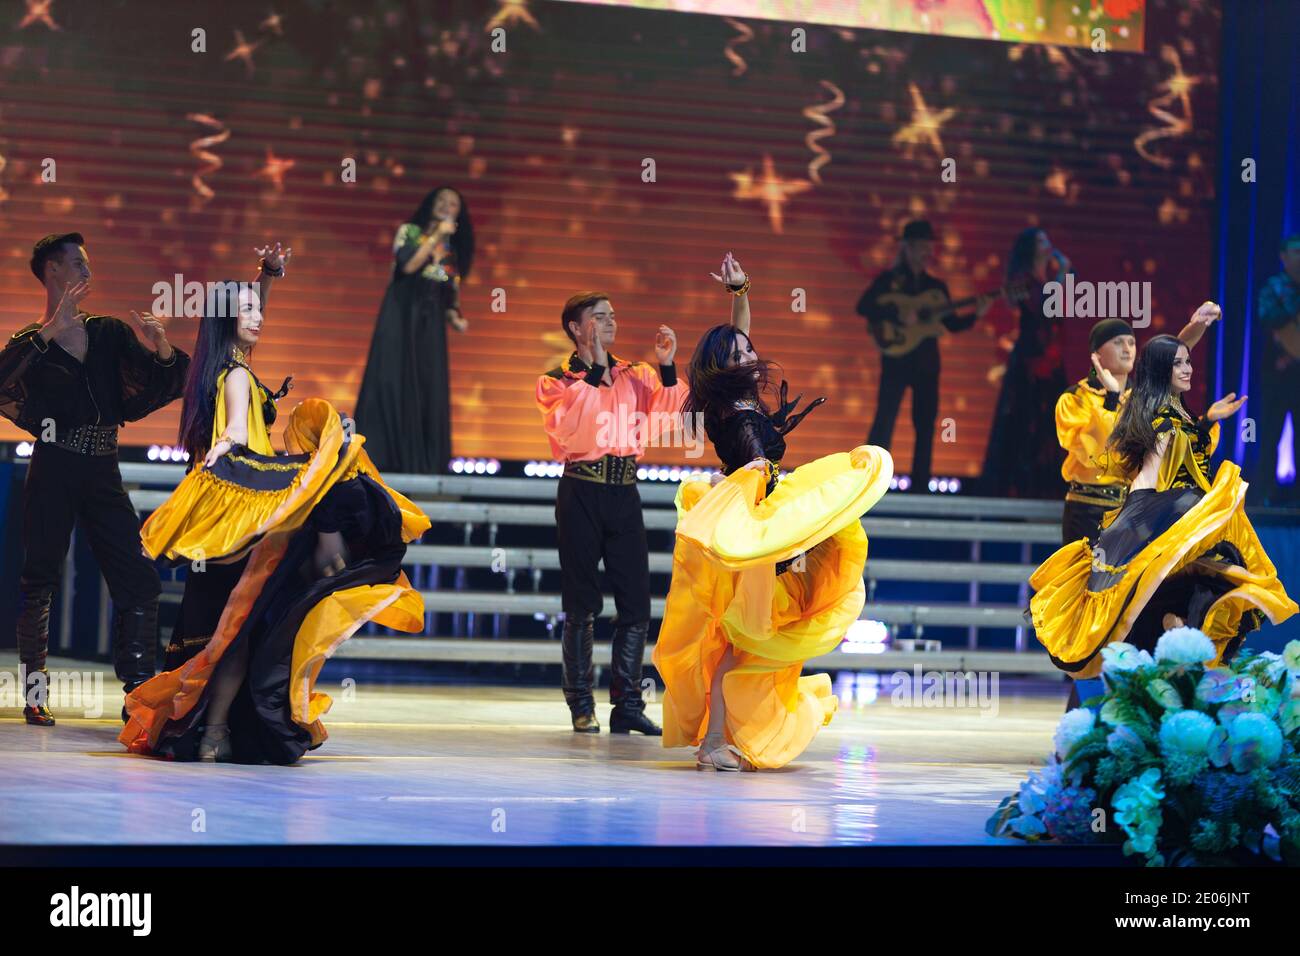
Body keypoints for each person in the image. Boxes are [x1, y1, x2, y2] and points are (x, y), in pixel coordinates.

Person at [119, 253, 431, 763]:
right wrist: (227, 447)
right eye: (248, 310)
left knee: (231, 631)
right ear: (227, 319)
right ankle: (215, 731)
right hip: (247, 514)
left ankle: (211, 730)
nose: (258, 316)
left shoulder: (220, 369)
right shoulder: (237, 377)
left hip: (231, 516)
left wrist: (265, 279)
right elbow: (236, 429)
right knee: (240, 630)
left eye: (258, 308)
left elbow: (240, 327)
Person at [654, 253, 893, 770]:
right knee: (743, 641)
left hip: (761, 529)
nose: (750, 350)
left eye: (749, 347)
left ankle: (719, 738)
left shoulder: (737, 401)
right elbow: (752, 470)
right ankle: (714, 741)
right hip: (756, 534)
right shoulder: (733, 412)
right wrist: (772, 506)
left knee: (747, 641)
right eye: (740, 351)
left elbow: (737, 334)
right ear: (723, 364)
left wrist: (739, 292)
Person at [1029, 335, 1297, 693]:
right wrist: (1131, 522)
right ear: (1160, 370)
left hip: (1194, 514)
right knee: (1190, 587)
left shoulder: (1178, 412)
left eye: (1188, 362)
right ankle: (1173, 647)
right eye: (1178, 364)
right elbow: (1148, 475)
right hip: (1177, 514)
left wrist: (1206, 421)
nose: (1188, 369)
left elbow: (1189, 456)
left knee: (1207, 585)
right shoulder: (1163, 417)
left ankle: (1180, 645)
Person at [0, 233, 189, 726]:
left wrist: (162, 348)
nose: (88, 271)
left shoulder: (107, 332)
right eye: (78, 263)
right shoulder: (30, 342)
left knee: (138, 578)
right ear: (53, 270)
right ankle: (35, 695)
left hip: (103, 466)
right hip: (54, 464)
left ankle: (139, 695)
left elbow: (154, 385)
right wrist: (49, 332)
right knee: (39, 579)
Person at [535, 293, 686, 734]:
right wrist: (596, 368)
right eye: (599, 317)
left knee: (636, 603)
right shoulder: (555, 381)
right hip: (581, 491)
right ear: (575, 328)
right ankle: (581, 704)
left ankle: (628, 705)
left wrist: (667, 366)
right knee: (581, 603)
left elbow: (667, 416)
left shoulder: (635, 374)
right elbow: (572, 426)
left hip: (624, 491)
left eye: (613, 316)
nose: (610, 323)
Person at [1056, 304, 1221, 547]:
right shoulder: (1075, 399)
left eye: (1131, 343)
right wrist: (1111, 399)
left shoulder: (1140, 397)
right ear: (1096, 354)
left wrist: (1197, 325)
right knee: (1088, 570)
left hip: (1131, 508)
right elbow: (1098, 453)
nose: (1127, 349)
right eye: (1117, 342)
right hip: (1087, 509)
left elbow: (1165, 360)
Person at [856, 219, 993, 492]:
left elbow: (951, 324)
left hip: (927, 363)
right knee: (885, 419)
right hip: (896, 360)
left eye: (928, 246)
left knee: (925, 423)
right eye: (920, 246)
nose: (925, 252)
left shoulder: (936, 288)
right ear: (906, 248)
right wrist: (898, 314)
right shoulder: (889, 281)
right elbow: (864, 306)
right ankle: (867, 483)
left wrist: (976, 314)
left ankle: (920, 486)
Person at [355, 186, 474, 474]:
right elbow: (408, 266)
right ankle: (379, 459)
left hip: (429, 326)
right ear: (430, 203)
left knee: (426, 387)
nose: (446, 205)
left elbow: (450, 295)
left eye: (453, 203)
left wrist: (455, 318)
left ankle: (422, 465)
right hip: (400, 316)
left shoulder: (451, 252)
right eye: (441, 200)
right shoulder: (409, 232)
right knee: (391, 379)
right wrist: (436, 236)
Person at [981, 228, 1071, 498]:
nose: (1048, 244)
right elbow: (1044, 308)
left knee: (1049, 425)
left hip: (1051, 360)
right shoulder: (1024, 281)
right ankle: (1019, 487)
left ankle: (1046, 487)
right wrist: (1062, 274)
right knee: (1024, 423)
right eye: (1041, 241)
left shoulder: (1047, 280)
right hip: (1030, 361)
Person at [1253, 232, 1300, 505]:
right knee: (1271, 433)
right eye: (1296, 252)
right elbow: (1266, 318)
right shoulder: (1274, 287)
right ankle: (1265, 495)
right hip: (1277, 373)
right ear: (1284, 257)